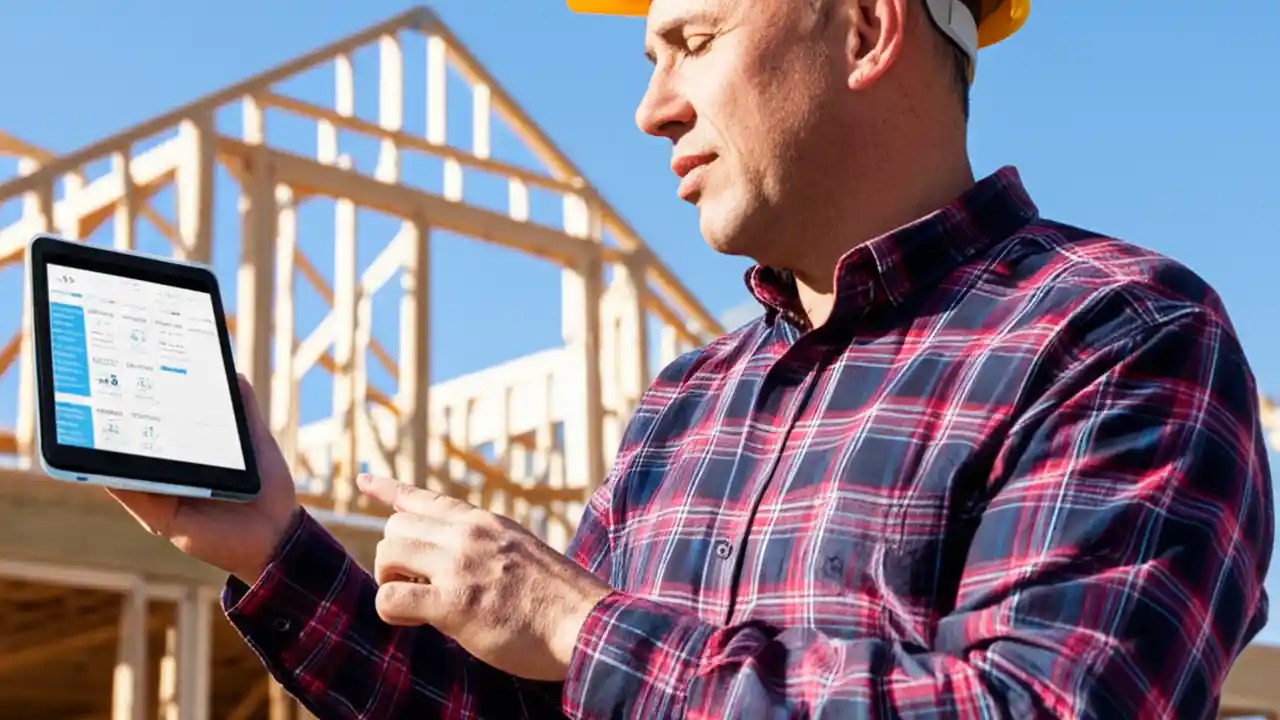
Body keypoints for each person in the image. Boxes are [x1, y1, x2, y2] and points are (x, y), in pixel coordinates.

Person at [109, 0, 1275, 717]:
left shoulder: (1116, 338)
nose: (650, 108)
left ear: (865, 27)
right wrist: (270, 546)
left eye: (691, 41)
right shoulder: (688, 407)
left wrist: (581, 626)